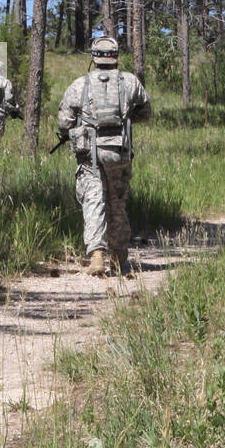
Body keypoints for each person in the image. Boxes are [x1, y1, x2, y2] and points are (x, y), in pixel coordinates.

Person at [56, 35, 152, 276]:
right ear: (116, 55)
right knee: (117, 203)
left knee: (93, 200)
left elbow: (64, 121)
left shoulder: (79, 84)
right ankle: (119, 257)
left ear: (94, 57)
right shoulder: (130, 82)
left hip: (89, 154)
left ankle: (97, 254)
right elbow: (146, 112)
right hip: (119, 151)